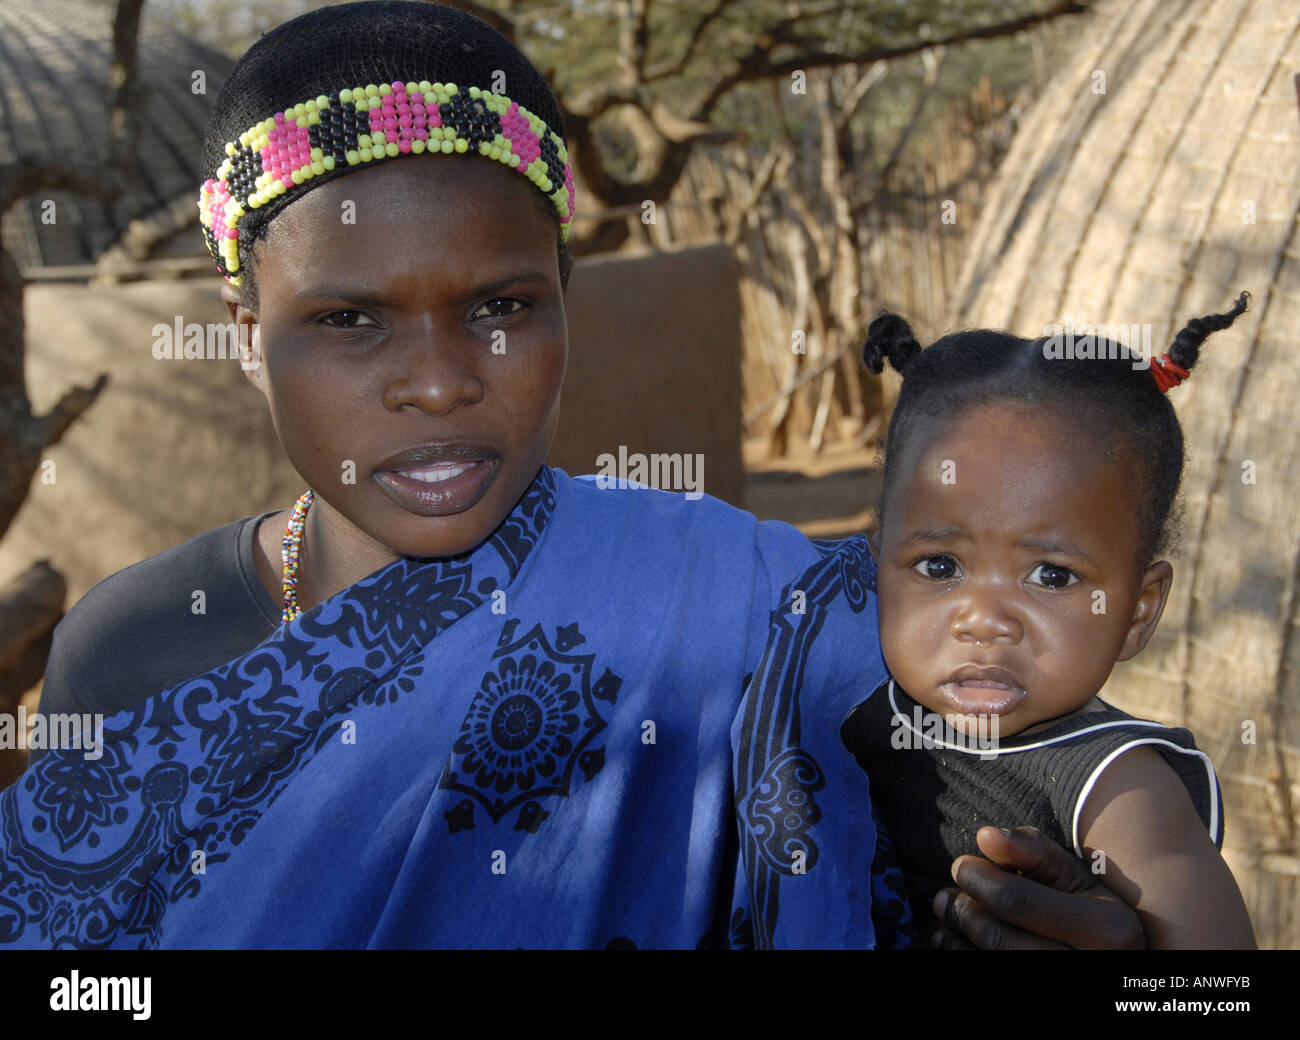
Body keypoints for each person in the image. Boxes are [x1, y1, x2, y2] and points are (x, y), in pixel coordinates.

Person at [4, 1, 1141, 949]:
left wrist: (1144, 920)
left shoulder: (731, 602)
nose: (442, 382)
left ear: (563, 300)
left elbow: (1055, 750)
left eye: (499, 307)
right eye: (348, 318)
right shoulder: (132, 647)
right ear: (248, 334)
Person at [843, 300, 1258, 948]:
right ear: (875, 574)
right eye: (939, 564)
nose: (984, 619)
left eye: (1053, 576)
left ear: (1138, 612)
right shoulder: (830, 700)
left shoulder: (1116, 791)